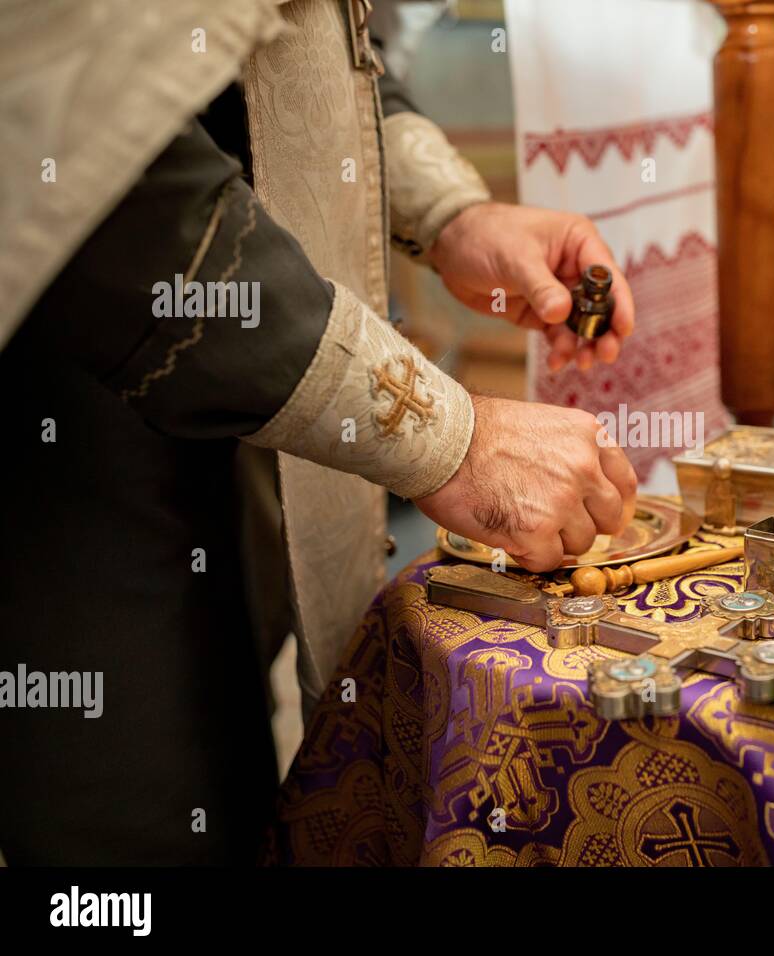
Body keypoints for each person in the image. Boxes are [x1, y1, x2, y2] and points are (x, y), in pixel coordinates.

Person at [0, 0, 635, 864]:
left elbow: (300, 44)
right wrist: (447, 435)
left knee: (231, 744)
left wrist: (450, 213)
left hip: (226, 427)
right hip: (67, 407)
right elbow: (86, 152)